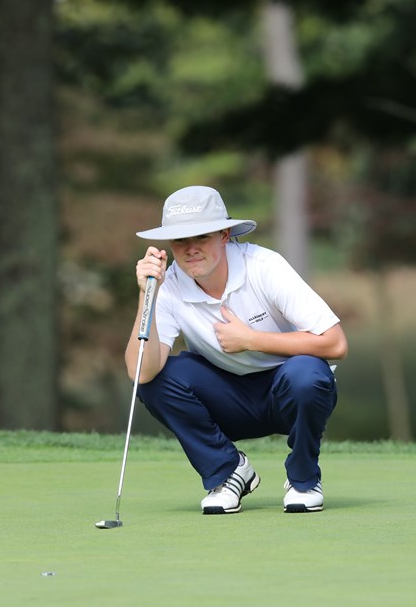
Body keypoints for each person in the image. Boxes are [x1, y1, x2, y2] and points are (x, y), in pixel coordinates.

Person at [126, 185, 347, 514]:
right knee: (156, 380)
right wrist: (148, 294)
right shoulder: (168, 285)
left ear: (224, 235)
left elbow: (335, 342)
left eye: (201, 237)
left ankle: (303, 479)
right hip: (227, 399)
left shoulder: (264, 266)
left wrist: (251, 340)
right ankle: (228, 472)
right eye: (180, 240)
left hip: (288, 392)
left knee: (306, 374)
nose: (190, 249)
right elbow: (140, 370)